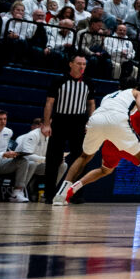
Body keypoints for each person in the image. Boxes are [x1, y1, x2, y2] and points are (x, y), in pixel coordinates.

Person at [55, 88, 140, 206]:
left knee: (104, 170)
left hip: (110, 140)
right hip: (125, 140)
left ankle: (72, 188)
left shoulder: (126, 103)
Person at [42, 55, 93, 197]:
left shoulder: (88, 82)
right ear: (71, 64)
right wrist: (46, 124)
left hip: (79, 123)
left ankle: (76, 194)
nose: (82, 66)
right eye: (78, 63)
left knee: (80, 159)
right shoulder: (59, 81)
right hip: (60, 121)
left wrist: (90, 122)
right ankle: (49, 194)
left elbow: (91, 104)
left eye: (84, 64)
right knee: (53, 159)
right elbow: (49, 102)